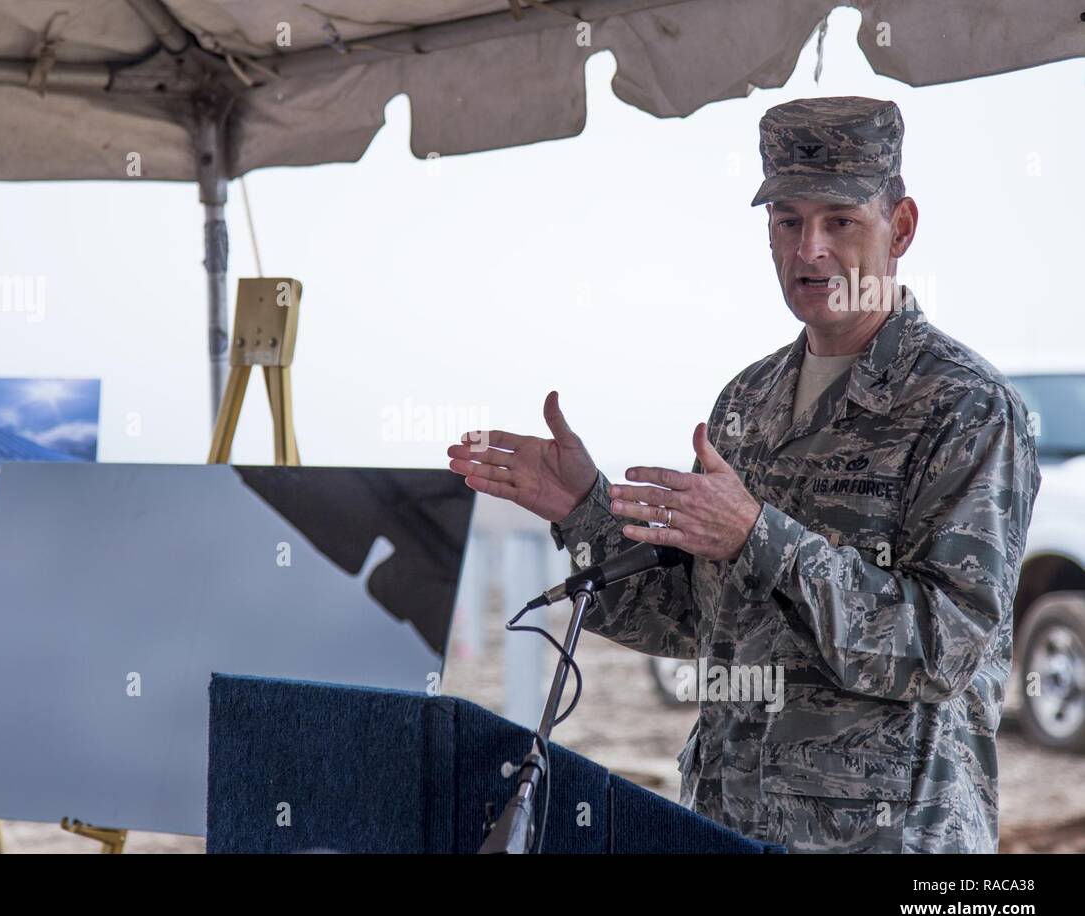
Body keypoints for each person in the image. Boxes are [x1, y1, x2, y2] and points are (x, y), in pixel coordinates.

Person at [446, 96, 1041, 853]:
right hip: (728, 824)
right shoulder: (746, 403)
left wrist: (763, 538)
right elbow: (698, 621)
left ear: (901, 227)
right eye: (787, 221)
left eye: (840, 221)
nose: (810, 249)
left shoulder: (967, 408)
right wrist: (585, 512)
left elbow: (945, 647)